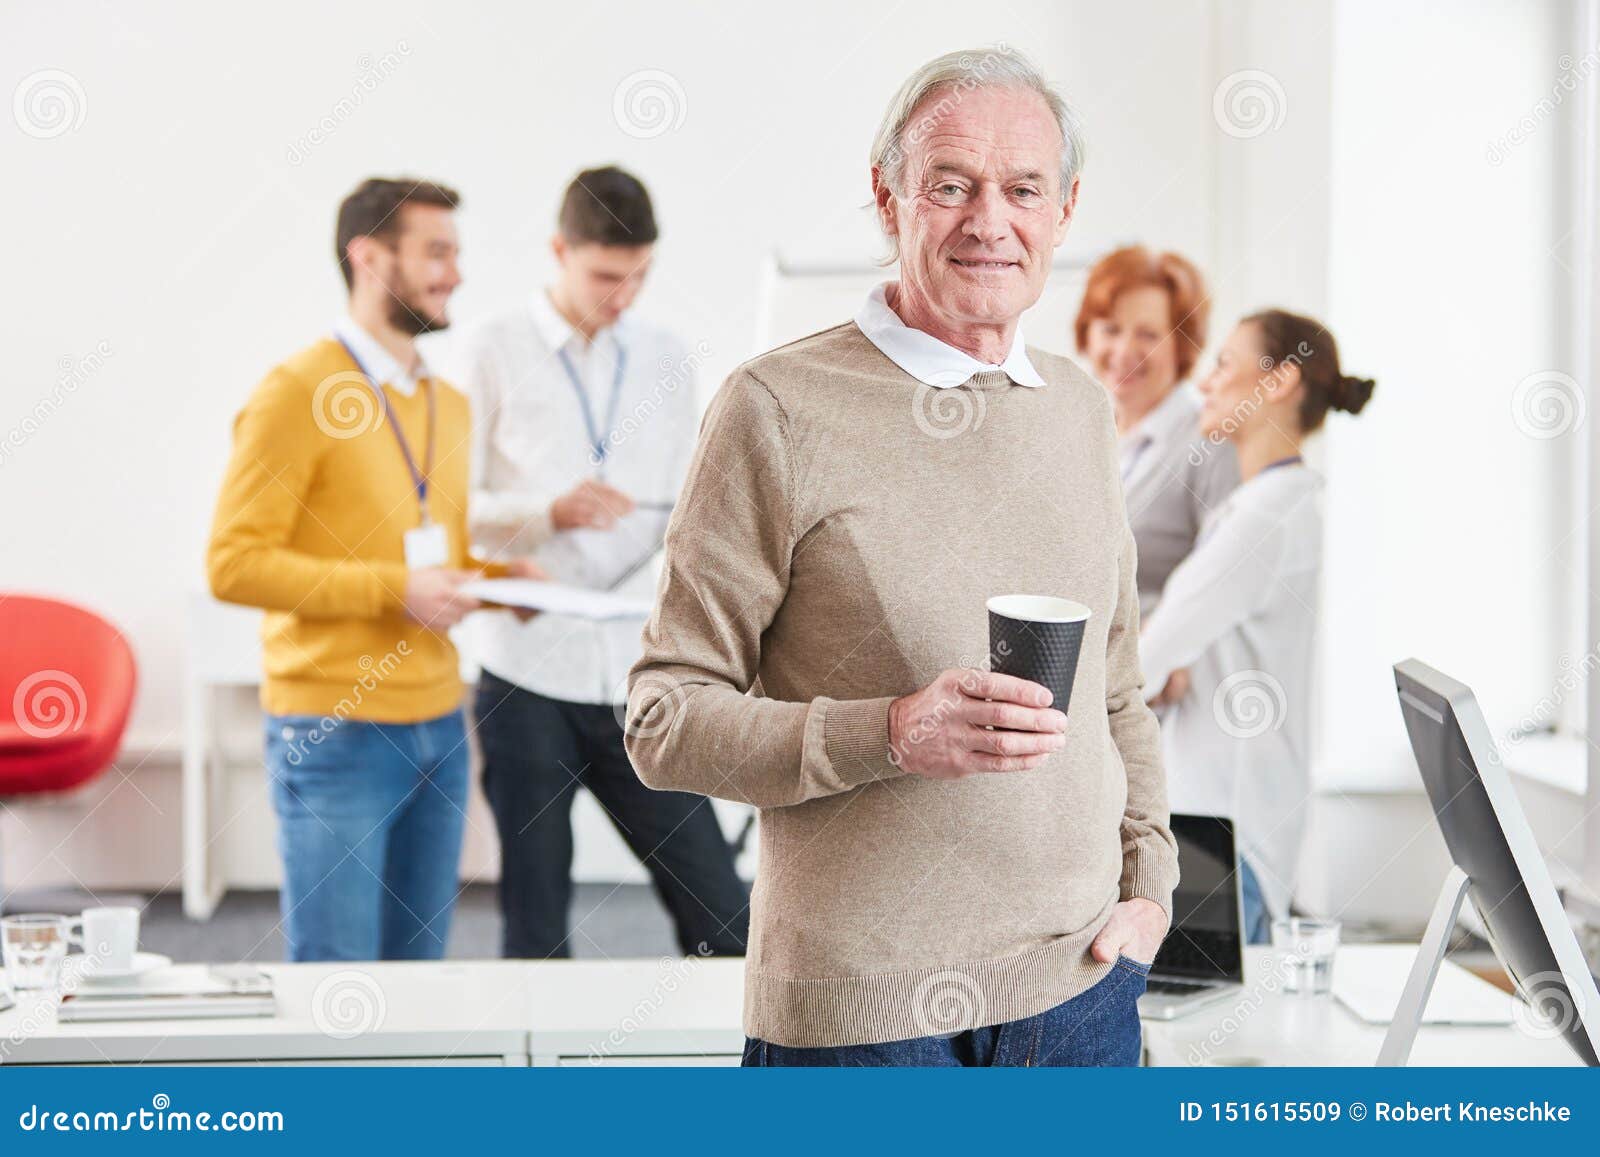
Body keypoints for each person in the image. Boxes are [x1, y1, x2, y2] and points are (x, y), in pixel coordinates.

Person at [626, 48, 1178, 1067]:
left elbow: (1116, 690)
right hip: (865, 1022)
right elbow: (664, 720)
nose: (989, 222)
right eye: (951, 185)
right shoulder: (775, 408)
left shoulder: (1079, 409)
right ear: (888, 199)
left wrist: (1150, 886)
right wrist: (887, 731)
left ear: (1064, 209)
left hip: (1082, 993)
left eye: (1023, 189)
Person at [207, 177, 541, 962]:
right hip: (336, 732)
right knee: (338, 987)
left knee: (416, 984)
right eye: (435, 252)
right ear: (367, 257)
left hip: (440, 724)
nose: (455, 273)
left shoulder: (448, 403)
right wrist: (396, 590)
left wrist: (501, 582)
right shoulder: (295, 391)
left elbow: (427, 553)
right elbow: (234, 563)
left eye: (455, 253)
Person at [460, 166, 748, 960]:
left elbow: (691, 501)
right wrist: (548, 512)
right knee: (536, 926)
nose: (623, 296)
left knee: (724, 915)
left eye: (638, 276)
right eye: (604, 277)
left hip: (635, 671)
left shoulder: (665, 356)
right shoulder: (491, 347)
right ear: (559, 251)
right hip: (527, 672)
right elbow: (449, 508)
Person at [1139, 309, 1375, 943]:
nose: (1205, 384)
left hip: (1223, 838)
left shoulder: (1264, 519)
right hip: (1227, 828)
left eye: (1224, 365)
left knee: (1202, 1010)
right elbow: (1176, 649)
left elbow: (1143, 663)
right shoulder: (1265, 507)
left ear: (1279, 381)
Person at [1076, 245, 1238, 617]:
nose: (1124, 351)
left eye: (1148, 335)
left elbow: (1222, 584)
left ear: (1182, 345)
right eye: (1111, 329)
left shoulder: (1212, 440)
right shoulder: (1085, 428)